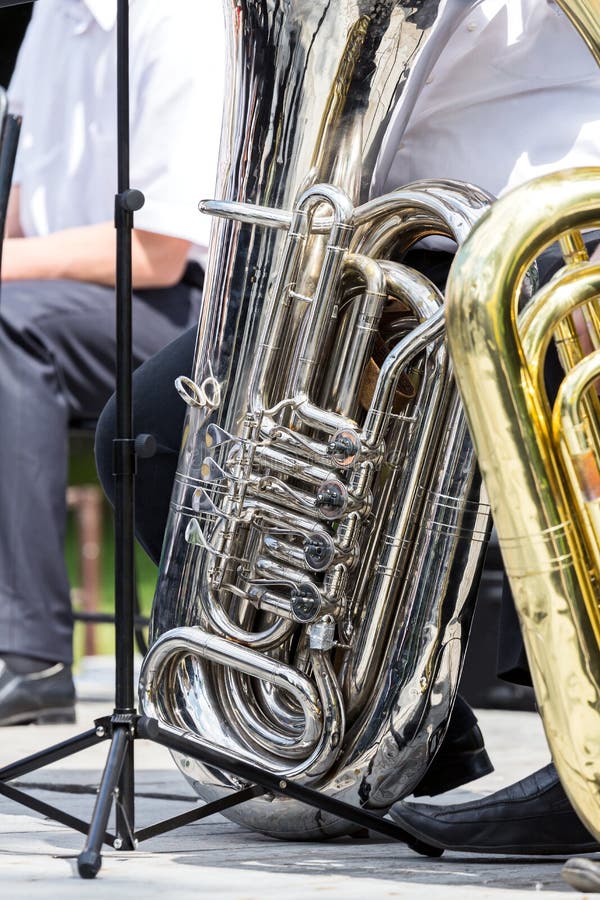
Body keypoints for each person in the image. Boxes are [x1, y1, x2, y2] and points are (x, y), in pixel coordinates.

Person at [94, 0, 600, 857]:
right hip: (378, 215)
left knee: (553, 430)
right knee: (151, 432)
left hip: (542, 211)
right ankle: (403, 721)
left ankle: (585, 754)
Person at [0, 0, 223, 725]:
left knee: (6, 323)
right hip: (53, 300)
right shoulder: (48, 17)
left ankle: (30, 657)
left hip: (179, 310)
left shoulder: (176, 18)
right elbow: (18, 214)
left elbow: (157, 252)